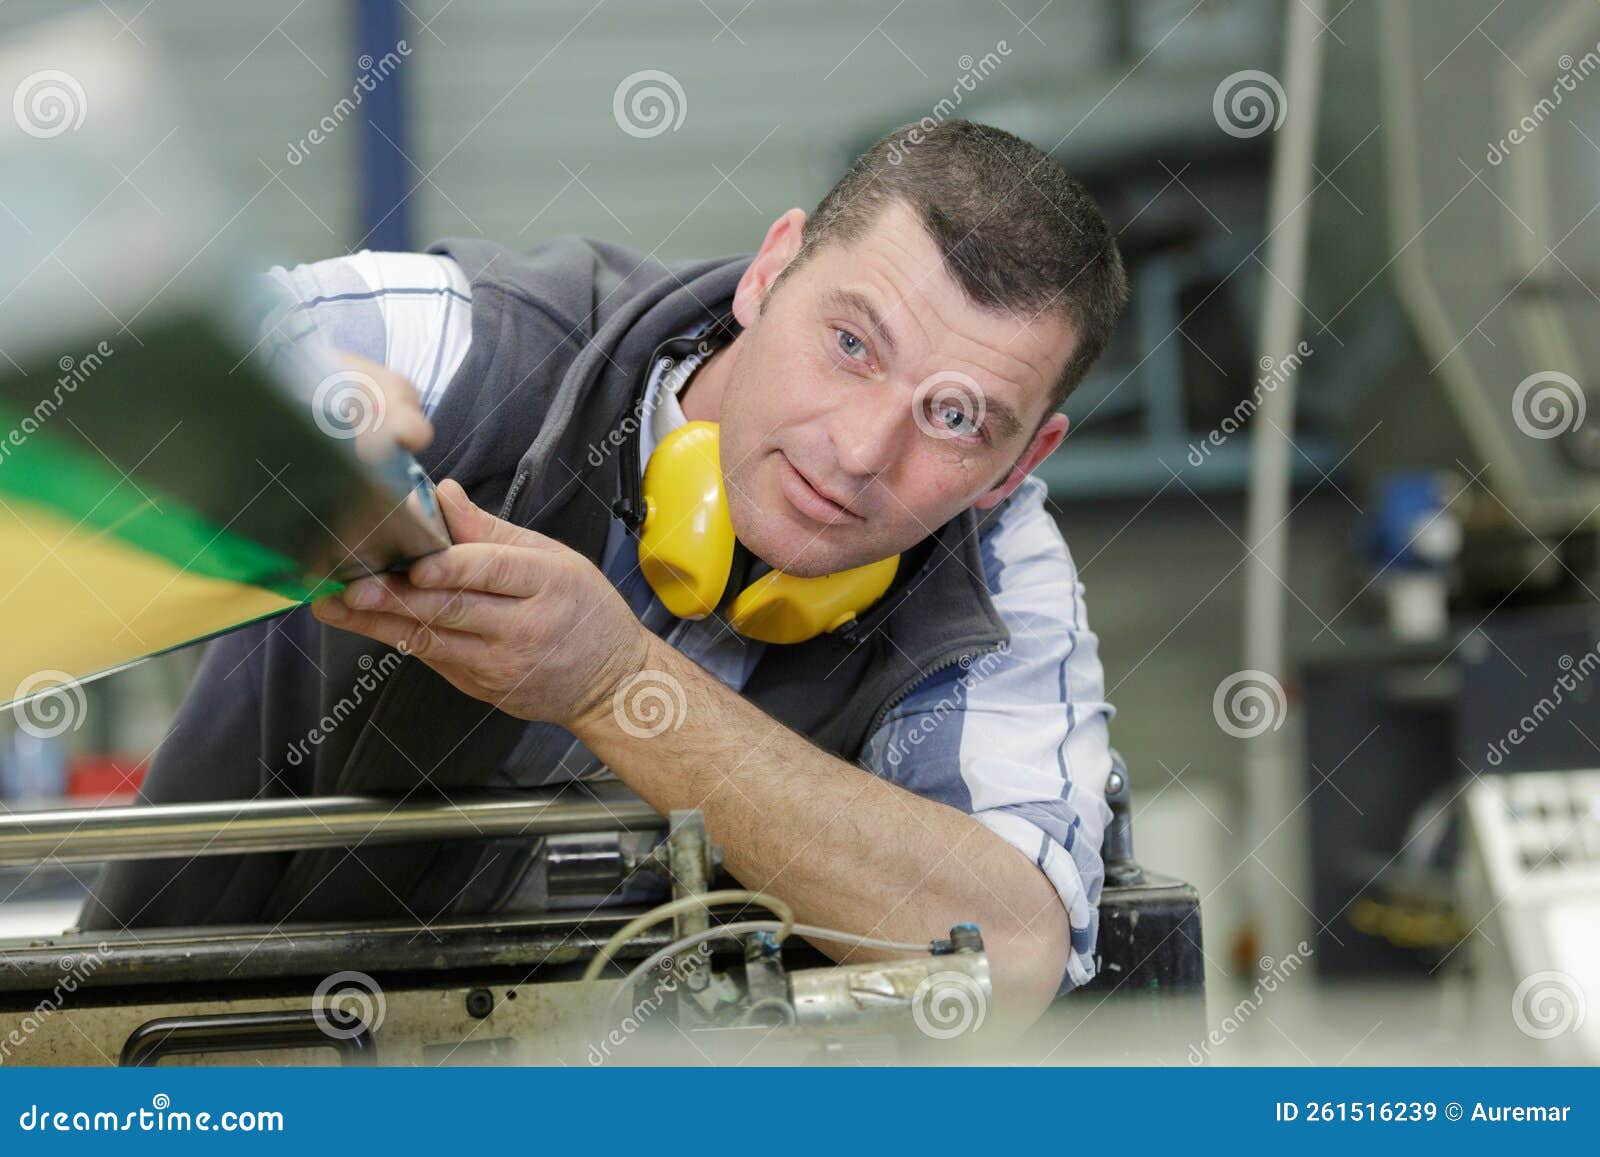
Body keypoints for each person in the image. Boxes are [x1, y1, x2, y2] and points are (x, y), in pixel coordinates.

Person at [81, 119, 1129, 1025]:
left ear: (1020, 461)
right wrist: (285, 403)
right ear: (771, 273)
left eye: (954, 417)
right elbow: (129, 349)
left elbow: (1007, 954)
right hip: (182, 1063)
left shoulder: (994, 580)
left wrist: (613, 683)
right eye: (852, 341)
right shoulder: (500, 340)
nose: (860, 450)